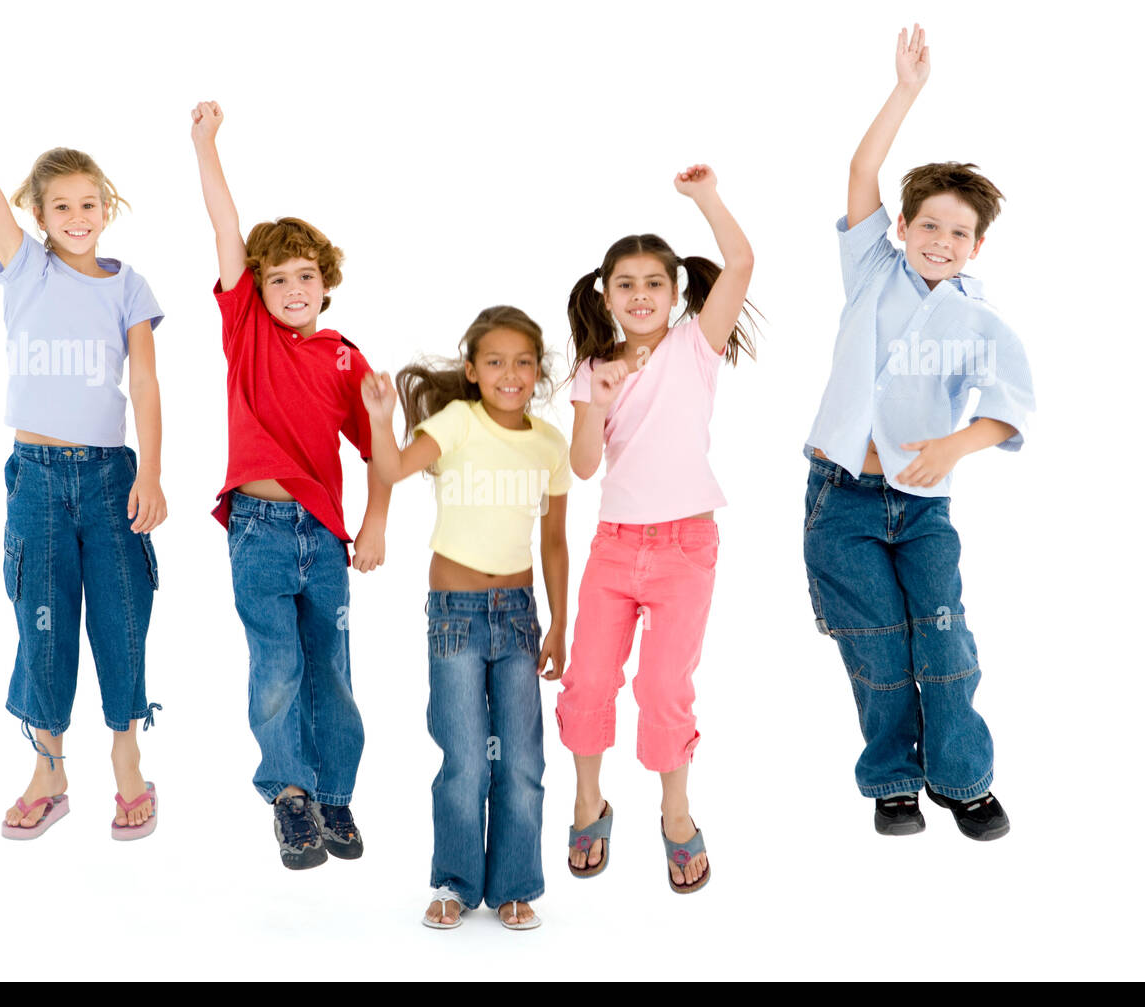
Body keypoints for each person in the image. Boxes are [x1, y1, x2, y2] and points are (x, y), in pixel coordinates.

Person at [802, 25, 1035, 840]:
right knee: (878, 648)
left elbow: (1012, 406)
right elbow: (862, 170)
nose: (941, 241)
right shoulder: (871, 269)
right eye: (928, 224)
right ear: (901, 225)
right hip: (842, 500)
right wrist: (906, 91)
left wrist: (953, 447)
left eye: (959, 232)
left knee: (943, 635)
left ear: (978, 244)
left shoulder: (977, 316)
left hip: (923, 503)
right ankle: (894, 780)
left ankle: (963, 778)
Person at [0, 32, 167, 841]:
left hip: (112, 478)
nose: (78, 217)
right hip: (37, 477)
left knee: (121, 615)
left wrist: (152, 470)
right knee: (40, 617)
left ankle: (126, 758)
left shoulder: (129, 285)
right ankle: (48, 763)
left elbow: (144, 381)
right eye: (61, 206)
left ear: (107, 206)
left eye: (90, 202)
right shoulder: (26, 267)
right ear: (38, 216)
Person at [190, 100, 390, 869]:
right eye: (279, 278)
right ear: (260, 287)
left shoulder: (343, 356)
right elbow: (224, 229)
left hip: (326, 538)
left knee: (331, 669)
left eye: (307, 276)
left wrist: (374, 525)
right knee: (275, 664)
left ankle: (334, 791)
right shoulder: (247, 331)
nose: (294, 288)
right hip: (257, 530)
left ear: (325, 283)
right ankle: (290, 796)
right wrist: (206, 145)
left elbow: (383, 451)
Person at [556, 165, 756, 893]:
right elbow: (582, 467)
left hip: (684, 549)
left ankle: (676, 813)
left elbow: (740, 263)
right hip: (613, 548)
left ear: (674, 294)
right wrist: (595, 401)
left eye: (654, 283)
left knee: (665, 687)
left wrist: (705, 198)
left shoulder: (694, 346)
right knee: (588, 684)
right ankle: (588, 799)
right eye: (625, 284)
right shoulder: (594, 366)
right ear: (606, 295)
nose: (640, 295)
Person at [361, 307, 569, 930]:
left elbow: (555, 541)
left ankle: (513, 886)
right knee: (465, 760)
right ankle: (453, 881)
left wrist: (560, 622)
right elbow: (394, 468)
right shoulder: (457, 422)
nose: (511, 373)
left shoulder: (549, 445)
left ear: (538, 371)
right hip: (454, 617)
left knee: (521, 762)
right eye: (496, 362)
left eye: (524, 362)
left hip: (518, 618)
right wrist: (380, 418)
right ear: (474, 371)